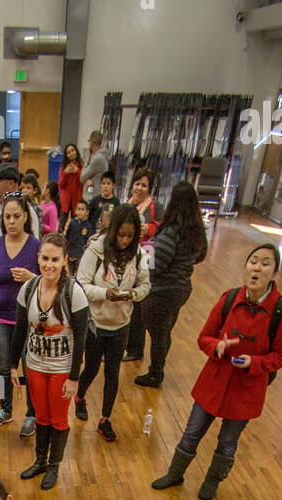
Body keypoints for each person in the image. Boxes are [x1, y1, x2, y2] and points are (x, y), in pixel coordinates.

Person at [153, 243, 282, 500]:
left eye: (265, 263)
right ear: (245, 267)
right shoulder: (229, 299)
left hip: (246, 390)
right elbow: (203, 337)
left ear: (274, 273)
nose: (257, 268)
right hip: (214, 382)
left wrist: (256, 363)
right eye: (253, 261)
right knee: (191, 434)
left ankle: (212, 481)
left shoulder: (281, 312)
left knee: (228, 443)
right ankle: (175, 474)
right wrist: (217, 346)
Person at [9, 233, 90, 490]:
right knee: (40, 416)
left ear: (65, 260)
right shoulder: (29, 289)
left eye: (56, 259)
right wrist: (12, 365)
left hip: (62, 369)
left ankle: (54, 466)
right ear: (38, 258)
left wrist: (75, 378)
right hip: (34, 365)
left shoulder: (74, 293)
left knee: (58, 419)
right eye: (45, 258)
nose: (49, 265)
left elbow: (81, 338)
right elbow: (20, 330)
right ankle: (40, 461)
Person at [74, 204, 151, 443]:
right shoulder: (95, 251)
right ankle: (80, 396)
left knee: (112, 373)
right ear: (113, 230)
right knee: (92, 367)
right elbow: (81, 284)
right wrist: (105, 293)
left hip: (121, 323)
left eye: (130, 235)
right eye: (121, 234)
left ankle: (105, 420)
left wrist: (132, 295)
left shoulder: (139, 255)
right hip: (96, 322)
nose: (125, 240)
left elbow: (145, 286)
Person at [133, 180, 207, 389]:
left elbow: (157, 265)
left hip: (162, 290)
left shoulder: (171, 231)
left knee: (158, 334)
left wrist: (146, 260)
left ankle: (156, 373)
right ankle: (157, 369)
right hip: (183, 287)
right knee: (165, 331)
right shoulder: (196, 230)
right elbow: (201, 256)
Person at [0, 193, 40, 434]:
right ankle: (5, 409)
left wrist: (31, 278)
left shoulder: (36, 246)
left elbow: (48, 282)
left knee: (30, 366)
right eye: (7, 217)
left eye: (16, 216)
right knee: (3, 367)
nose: (12, 221)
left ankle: (32, 414)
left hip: (29, 320)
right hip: (0, 319)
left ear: (26, 217)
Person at [123, 167, 165, 362]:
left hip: (145, 260)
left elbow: (162, 229)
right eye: (137, 183)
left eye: (143, 185)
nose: (139, 188)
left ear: (149, 188)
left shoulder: (155, 207)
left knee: (138, 306)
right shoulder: (127, 205)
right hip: (125, 257)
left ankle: (135, 349)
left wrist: (148, 228)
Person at [58, 144, 84, 229]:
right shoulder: (63, 168)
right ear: (66, 155)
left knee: (76, 223)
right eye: (68, 152)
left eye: (73, 150)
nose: (71, 153)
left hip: (77, 199)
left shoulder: (82, 166)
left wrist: (77, 171)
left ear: (76, 151)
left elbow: (82, 183)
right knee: (61, 223)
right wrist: (65, 173)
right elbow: (60, 186)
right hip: (65, 200)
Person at [79, 129, 110, 199]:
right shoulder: (101, 156)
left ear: (91, 142)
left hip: (93, 197)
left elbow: (82, 178)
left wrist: (88, 158)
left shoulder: (98, 158)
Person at [65, 199, 92, 275]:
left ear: (87, 212)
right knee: (70, 271)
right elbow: (67, 235)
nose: (80, 211)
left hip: (81, 253)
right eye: (78, 209)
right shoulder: (72, 222)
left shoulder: (87, 225)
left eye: (82, 209)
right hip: (71, 251)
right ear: (75, 211)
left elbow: (88, 240)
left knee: (79, 271)